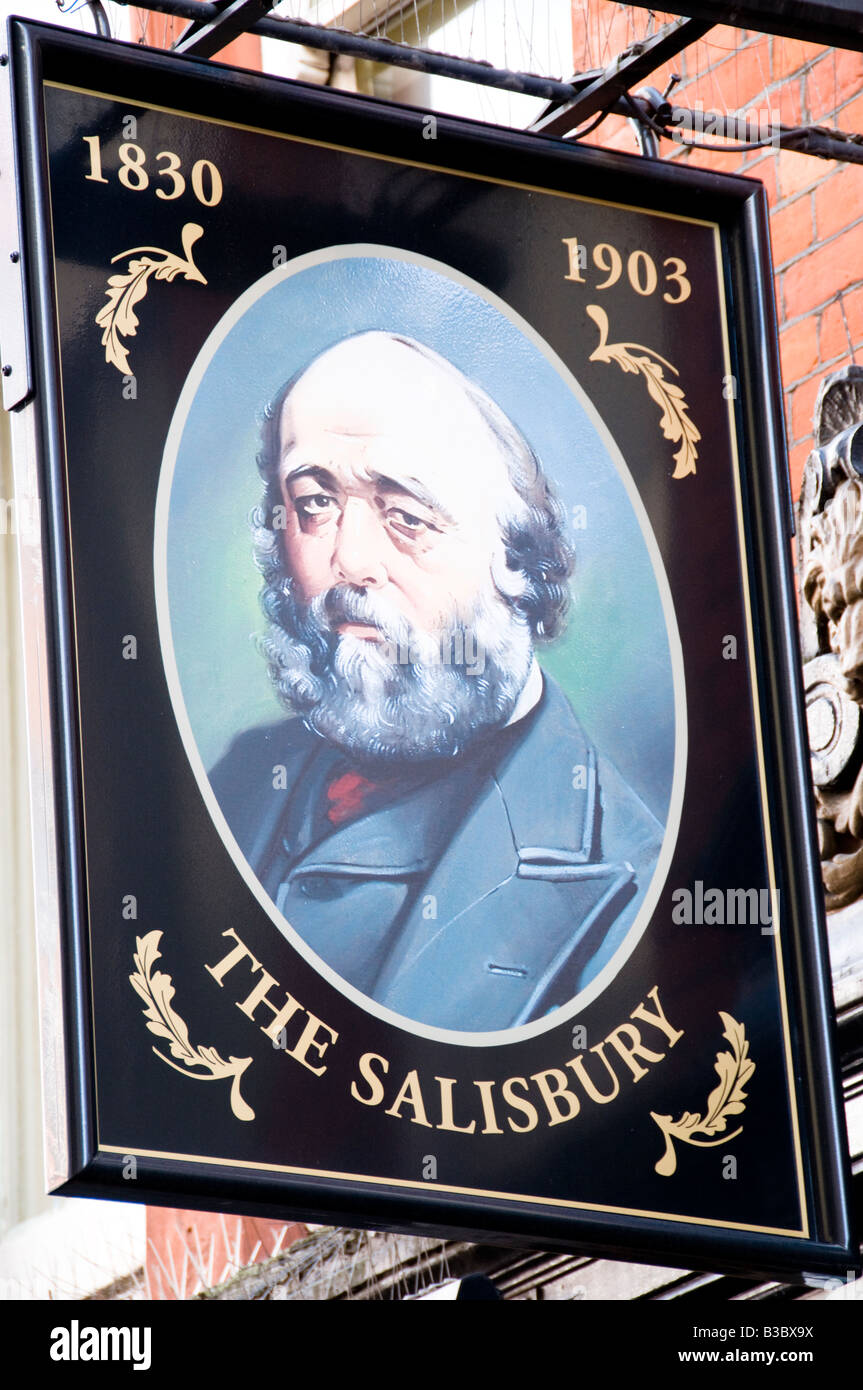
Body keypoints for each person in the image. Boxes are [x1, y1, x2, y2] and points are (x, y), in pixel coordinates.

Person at [210, 331, 663, 1031]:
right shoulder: (238, 780)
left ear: (516, 558)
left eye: (406, 516)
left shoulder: (627, 883)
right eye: (313, 503)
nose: (349, 559)